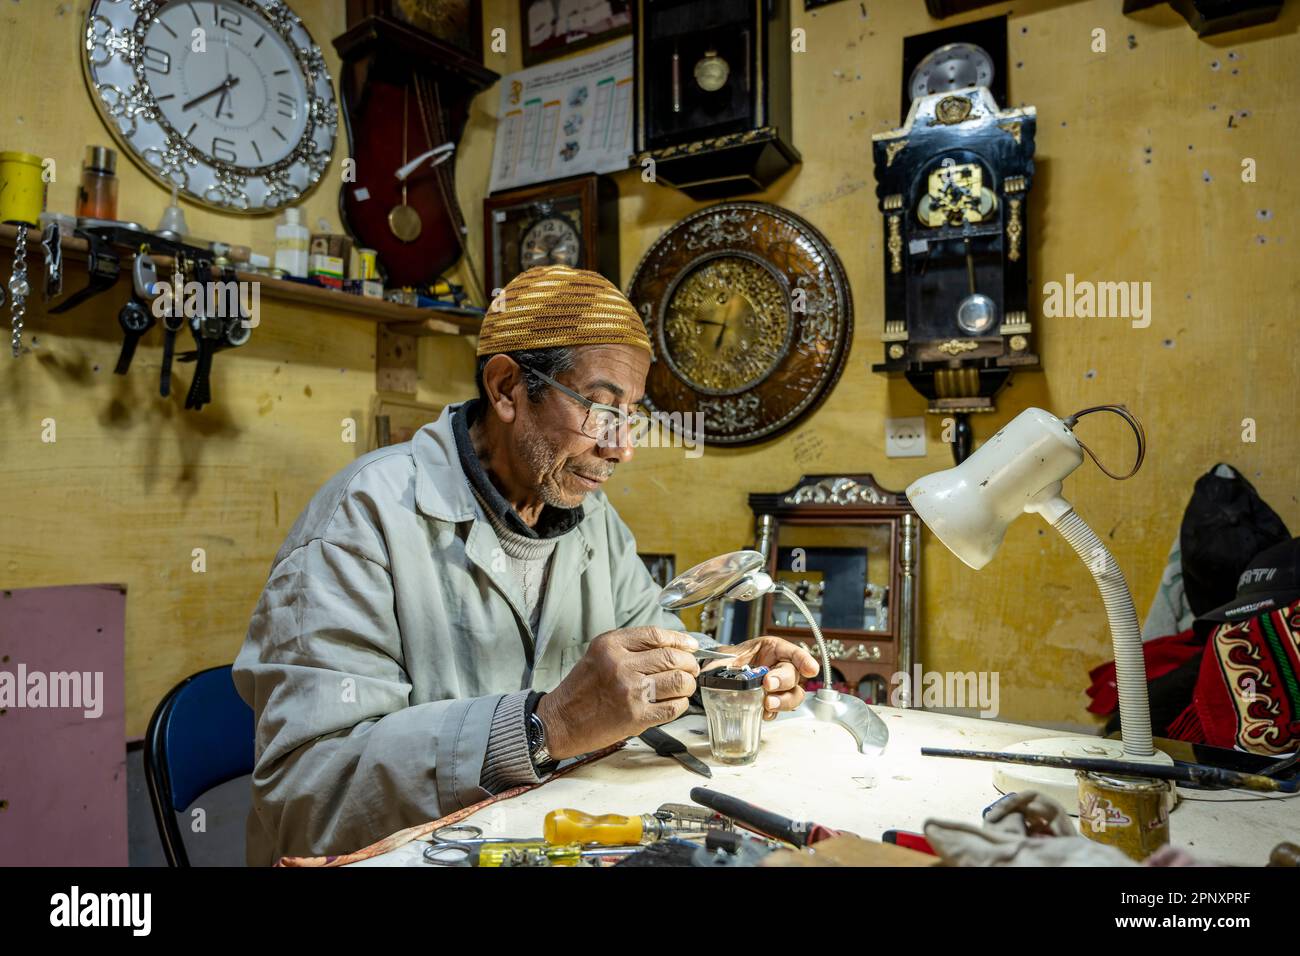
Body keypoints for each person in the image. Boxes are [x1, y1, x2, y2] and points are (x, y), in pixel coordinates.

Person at [233, 265, 818, 865]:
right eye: (599, 409)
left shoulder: (592, 520)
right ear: (507, 388)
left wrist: (721, 674)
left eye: (632, 415)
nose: (621, 447)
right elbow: (305, 794)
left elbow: (650, 647)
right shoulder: (364, 519)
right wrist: (543, 727)